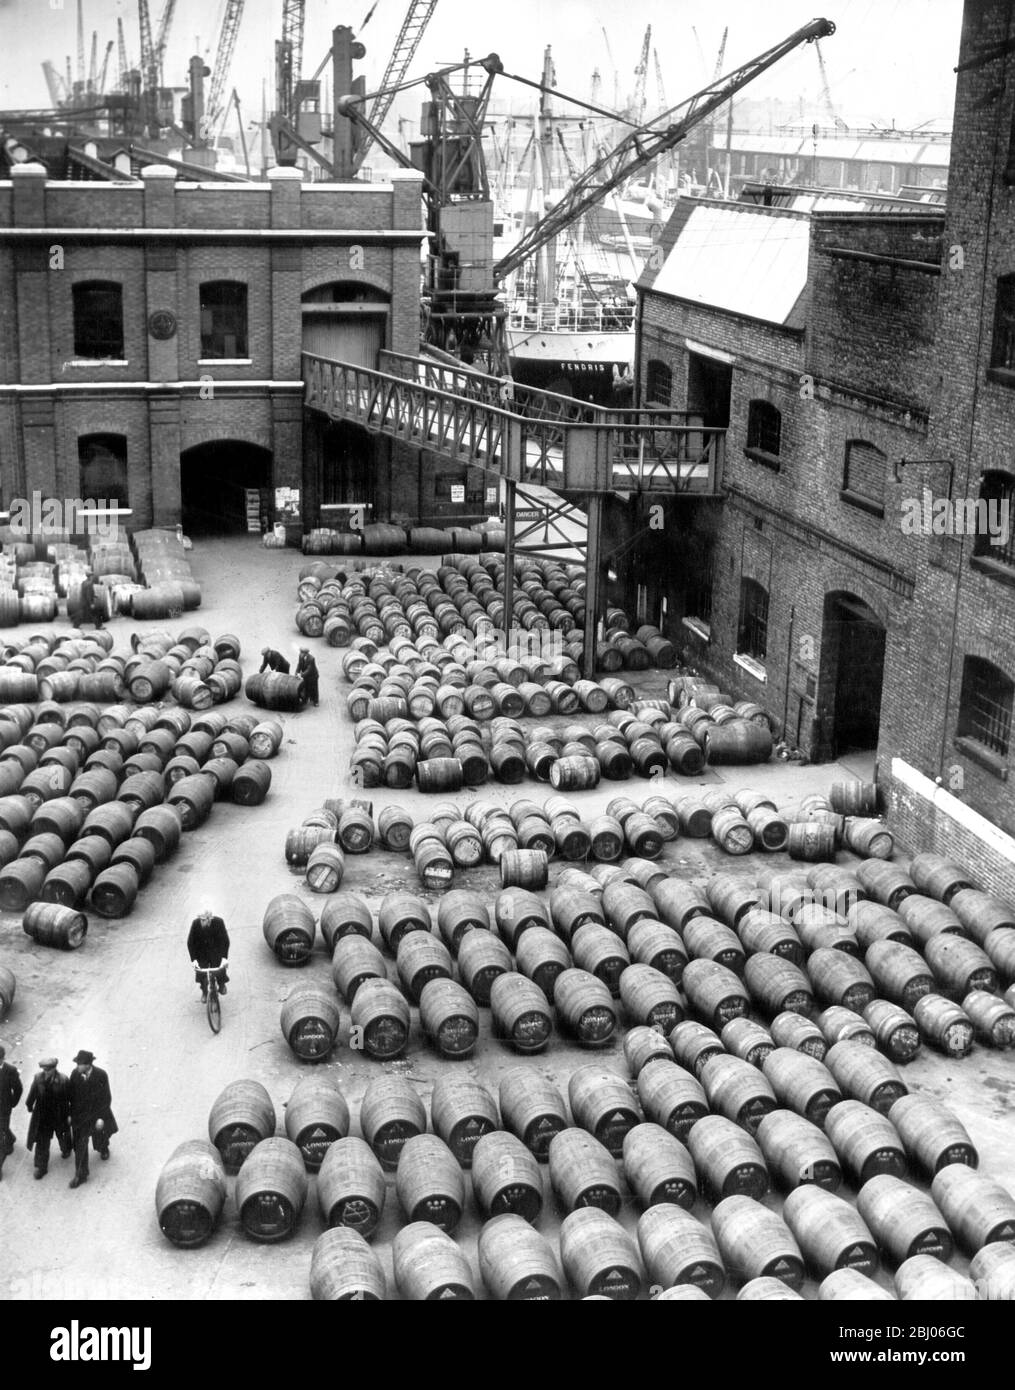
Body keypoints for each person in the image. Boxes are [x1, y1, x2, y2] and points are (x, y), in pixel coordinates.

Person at [67, 1050, 117, 1189]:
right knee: (80, 1144)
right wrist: (70, 1114)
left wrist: (101, 1118)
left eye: (80, 1064)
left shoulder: (101, 1075)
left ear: (88, 1065)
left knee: (100, 1136)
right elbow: (71, 1096)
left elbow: (106, 1098)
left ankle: (103, 1148)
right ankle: (81, 1175)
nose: (77, 1066)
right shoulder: (75, 1074)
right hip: (80, 1116)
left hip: (96, 1114)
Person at [25, 1057, 72, 1180]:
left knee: (62, 1135)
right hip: (43, 1116)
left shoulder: (63, 1080)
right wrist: (29, 1105)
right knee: (42, 1142)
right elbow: (32, 1094)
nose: (45, 1072)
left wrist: (70, 1115)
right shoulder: (38, 1078)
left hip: (59, 1114)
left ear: (54, 1068)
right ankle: (41, 1167)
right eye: (44, 1070)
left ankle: (66, 1149)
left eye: (48, 1070)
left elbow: (70, 1099)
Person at [187, 909, 230, 1001]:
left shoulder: (219, 922)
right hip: (201, 952)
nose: (201, 922)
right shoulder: (195, 924)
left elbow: (225, 941)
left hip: (216, 950)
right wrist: (194, 960)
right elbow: (190, 942)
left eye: (204, 920)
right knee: (201, 970)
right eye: (200, 919)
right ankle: (204, 991)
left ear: (209, 919)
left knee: (219, 968)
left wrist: (224, 958)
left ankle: (221, 984)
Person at [0, 1044, 23, 1182]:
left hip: (4, 1109)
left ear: (2, 1058)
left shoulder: (11, 1071)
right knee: (3, 1130)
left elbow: (18, 1089)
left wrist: (12, 1103)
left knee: (0, 1135)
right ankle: (11, 1138)